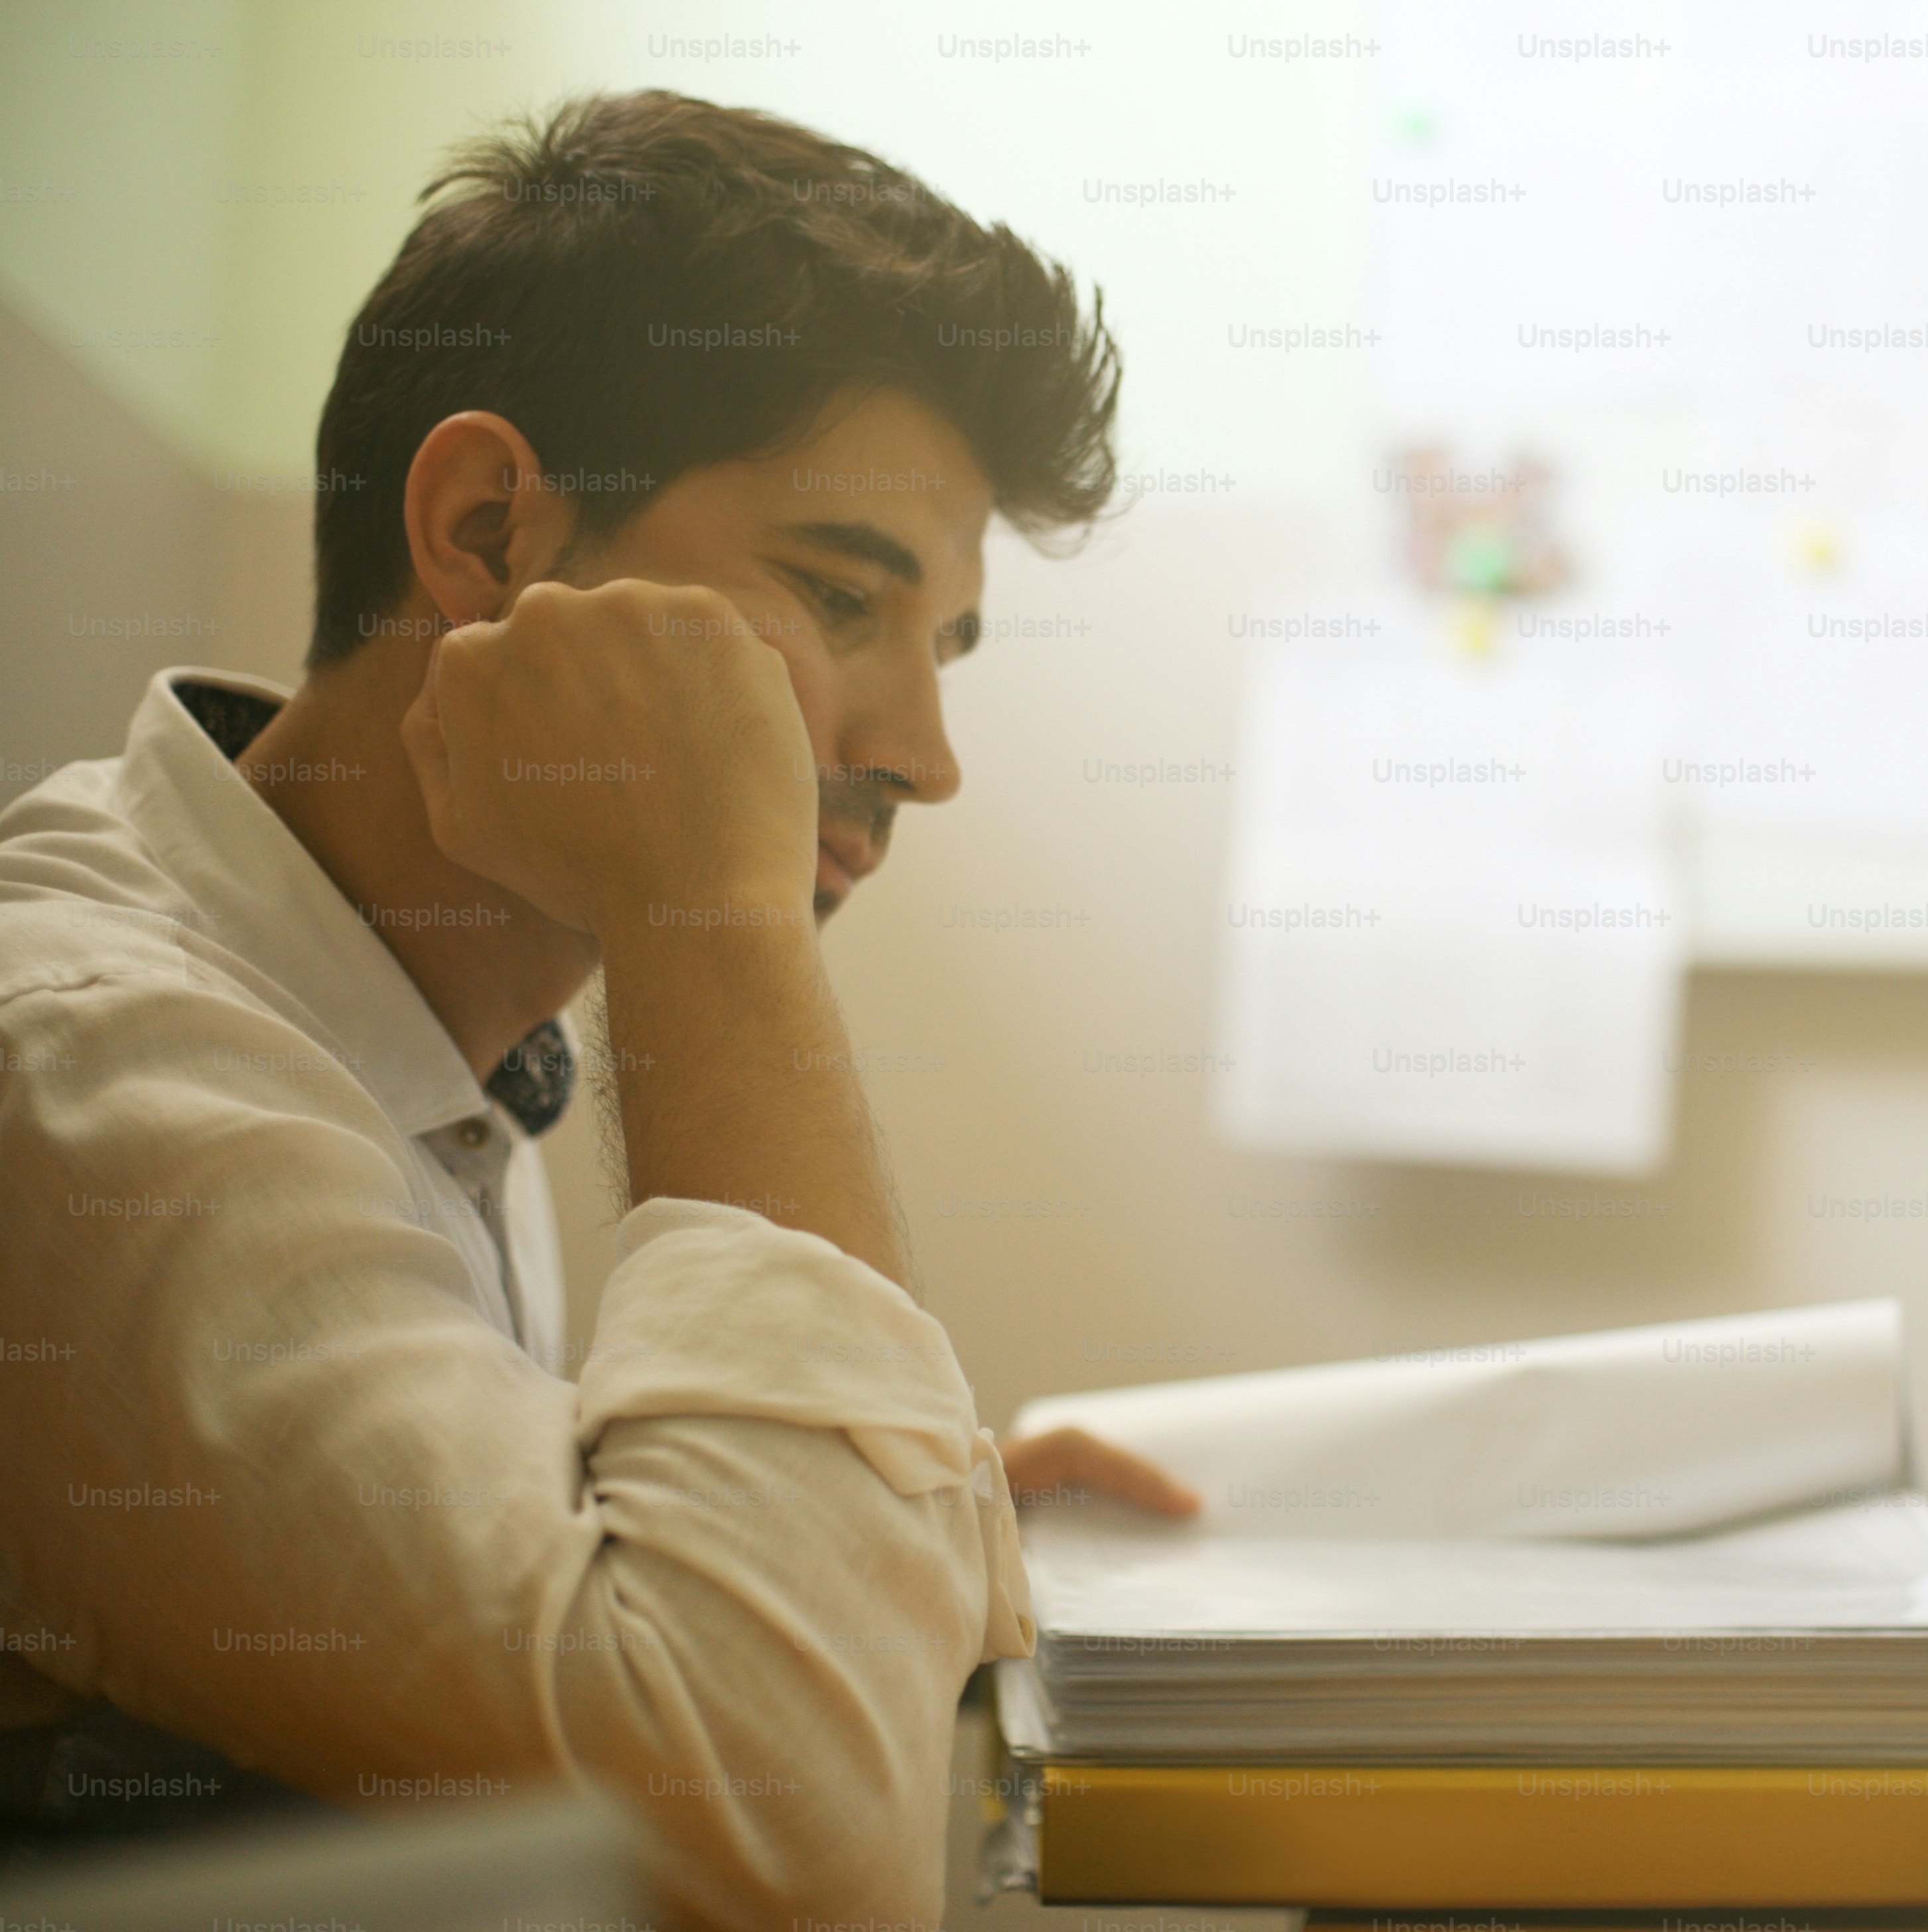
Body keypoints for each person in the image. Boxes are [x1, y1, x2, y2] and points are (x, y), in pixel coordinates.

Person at [0, 90, 1192, 1927]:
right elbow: (802, 1862)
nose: (926, 757)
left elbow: (548, 1613)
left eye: (941, 650)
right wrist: (710, 913)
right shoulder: (99, 1082)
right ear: (488, 534)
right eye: (835, 597)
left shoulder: (415, 1040)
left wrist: (877, 1533)